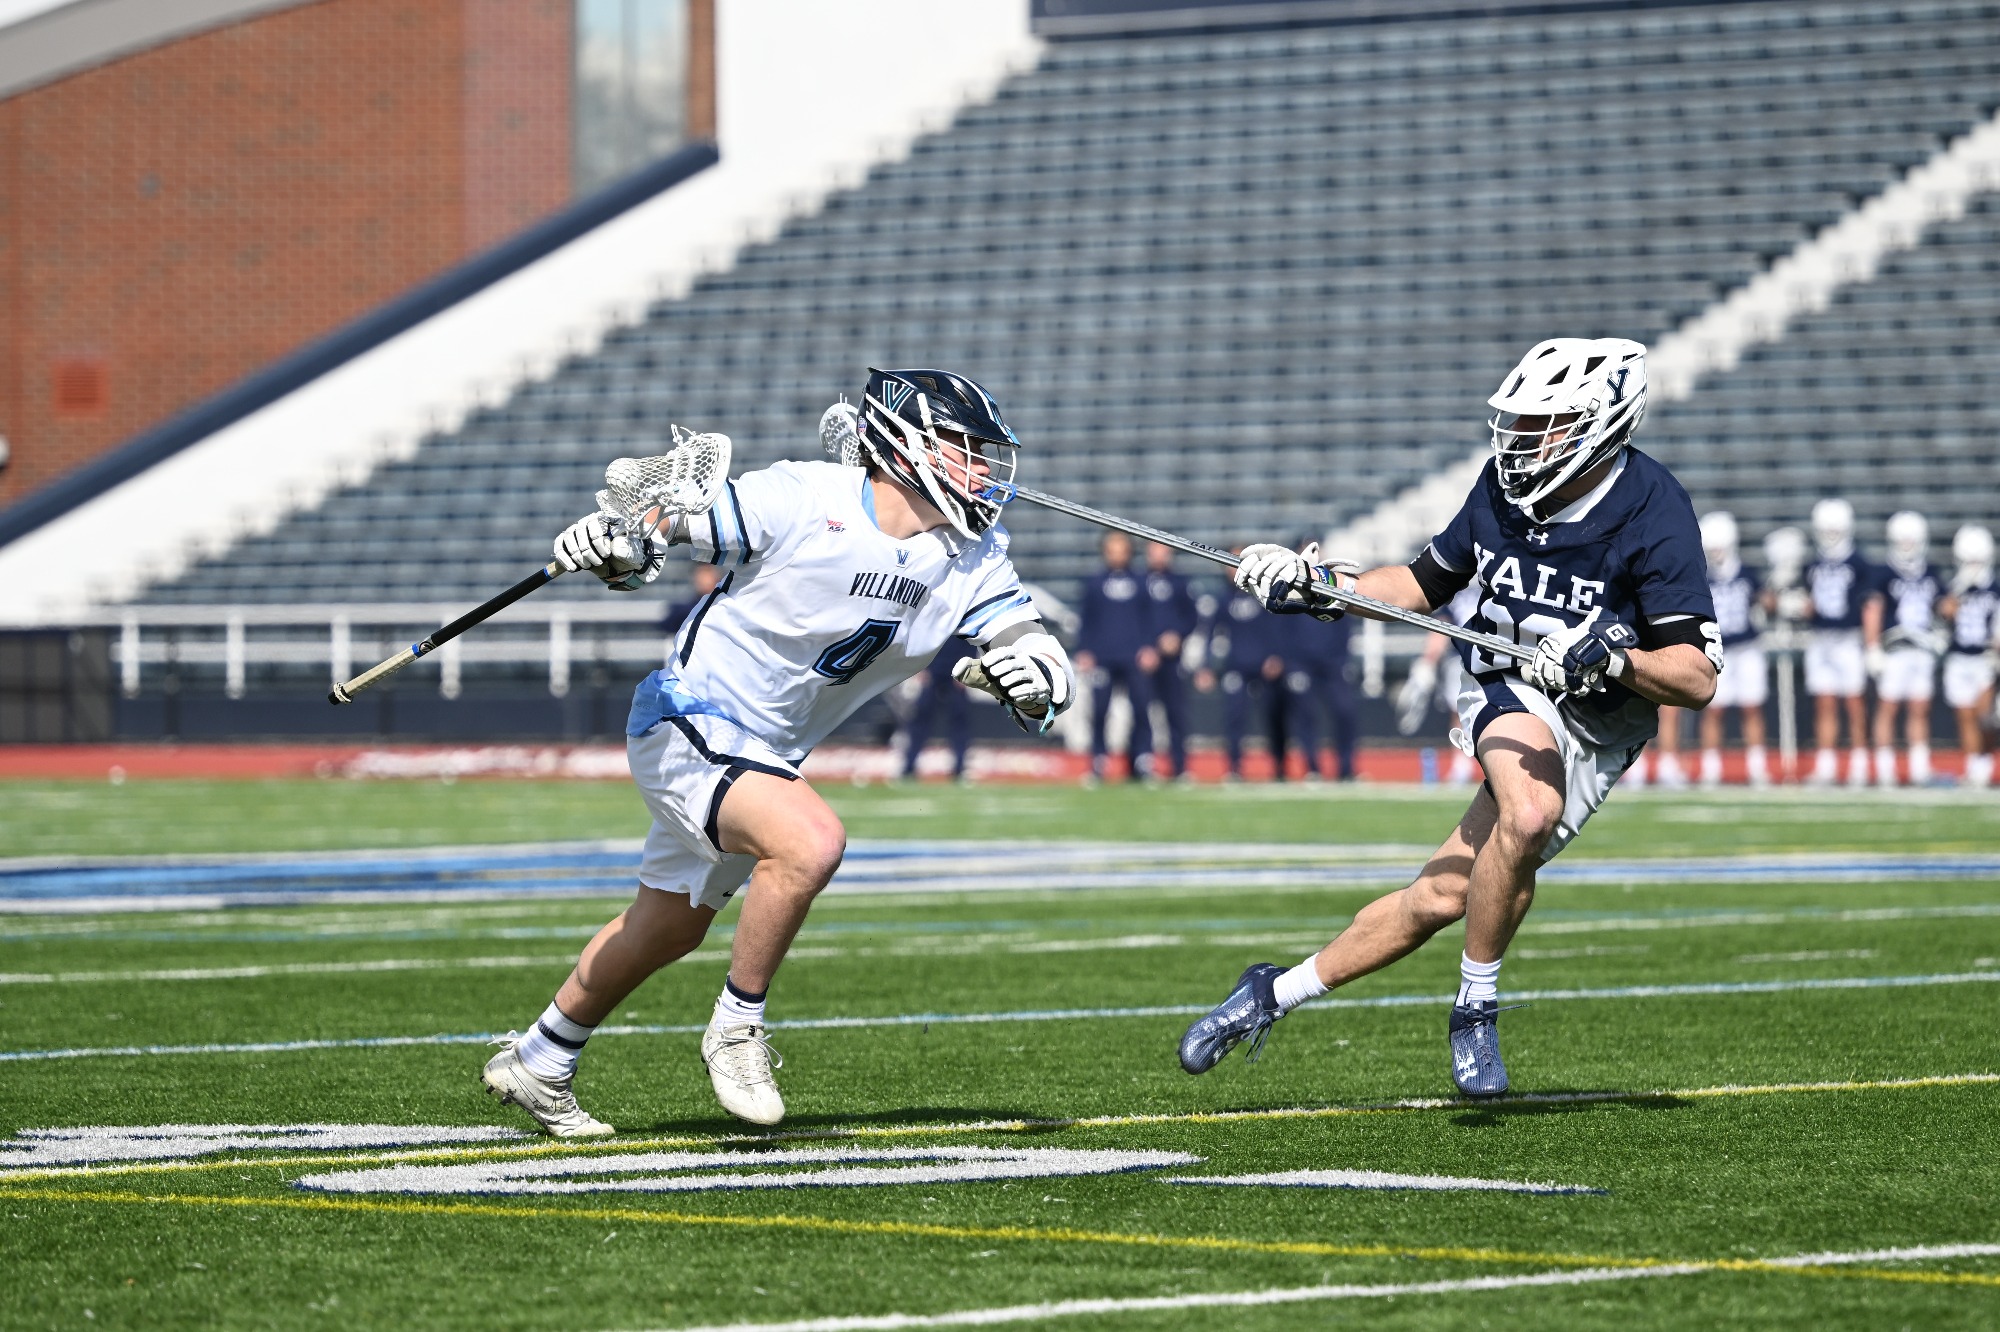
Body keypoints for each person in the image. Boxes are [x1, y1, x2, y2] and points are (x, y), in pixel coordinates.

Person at [481, 368, 1075, 1134]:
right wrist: (615, 543)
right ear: (907, 445)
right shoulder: (804, 495)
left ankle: (541, 1058)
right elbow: (661, 527)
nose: (984, 472)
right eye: (967, 450)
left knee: (668, 926)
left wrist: (1034, 681)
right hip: (688, 718)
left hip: (765, 753)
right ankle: (736, 1027)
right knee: (811, 842)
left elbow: (1034, 651)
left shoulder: (974, 552)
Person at [1178, 337, 1718, 1098]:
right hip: (1509, 682)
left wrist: (1613, 659)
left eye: (1547, 425)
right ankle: (1476, 1008)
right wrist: (1321, 584)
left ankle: (1269, 993)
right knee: (1528, 814)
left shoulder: (1654, 509)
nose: (1524, 442)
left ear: (1603, 425)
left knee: (1440, 897)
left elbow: (1694, 677)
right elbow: (1425, 581)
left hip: (1602, 722)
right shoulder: (1501, 486)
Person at [1801, 498, 1883, 787]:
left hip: (1849, 640)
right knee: (1824, 703)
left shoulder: (1859, 563)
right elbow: (1810, 603)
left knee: (1854, 703)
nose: (1830, 536)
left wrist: (1872, 645)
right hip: (1821, 638)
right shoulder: (1812, 563)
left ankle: (1859, 763)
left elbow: (1869, 605)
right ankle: (1826, 765)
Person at [1199, 552, 1289, 780]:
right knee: (1234, 719)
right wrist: (1206, 666)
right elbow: (1211, 633)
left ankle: (1279, 767)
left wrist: (1277, 656)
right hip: (1236, 667)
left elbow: (1278, 629)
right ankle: (1235, 768)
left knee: (1273, 718)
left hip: (1265, 668)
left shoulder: (1266, 593)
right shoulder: (1223, 599)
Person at [1696, 511, 1770, 787]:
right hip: (1716, 651)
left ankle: (1757, 766)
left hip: (1748, 648)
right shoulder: (1702, 576)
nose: (1716, 554)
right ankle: (1711, 767)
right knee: (1714, 711)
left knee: (1752, 708)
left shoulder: (1748, 573)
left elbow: (1767, 603)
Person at [1075, 532, 1156, 781]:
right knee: (1099, 711)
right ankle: (1099, 762)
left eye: (1121, 548)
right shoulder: (1094, 582)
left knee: (1141, 709)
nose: (1117, 553)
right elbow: (1086, 620)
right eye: (1112, 548)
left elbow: (1150, 619)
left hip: (1134, 657)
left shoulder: (1143, 582)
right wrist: (1085, 650)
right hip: (1103, 657)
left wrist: (1150, 647)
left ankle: (1142, 762)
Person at [1870, 511, 1942, 787]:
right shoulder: (1884, 572)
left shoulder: (1931, 571)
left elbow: (1941, 607)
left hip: (1921, 649)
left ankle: (1919, 768)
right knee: (1888, 708)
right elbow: (1873, 610)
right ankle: (1885, 768)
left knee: (1919, 709)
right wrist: (1873, 646)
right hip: (1894, 649)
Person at [1941, 524, 1999, 788]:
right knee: (1965, 716)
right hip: (1959, 657)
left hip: (1985, 658)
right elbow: (1944, 612)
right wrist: (1957, 594)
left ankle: (1985, 764)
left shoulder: (1995, 589)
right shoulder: (1955, 587)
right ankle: (1974, 766)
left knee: (1984, 716)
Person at [1142, 541, 1200, 780]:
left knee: (1175, 713)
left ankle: (1179, 766)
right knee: (1142, 713)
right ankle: (1142, 765)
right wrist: (1146, 647)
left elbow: (1191, 616)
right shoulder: (1138, 582)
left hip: (1173, 659)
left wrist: (1177, 636)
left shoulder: (1180, 583)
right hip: (1144, 659)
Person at [900, 637, 975, 781]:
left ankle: (959, 768)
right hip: (933, 671)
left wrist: (968, 670)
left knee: (959, 720)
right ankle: (909, 766)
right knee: (920, 719)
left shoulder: (961, 617)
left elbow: (971, 639)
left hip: (957, 672)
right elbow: (924, 639)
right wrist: (921, 667)